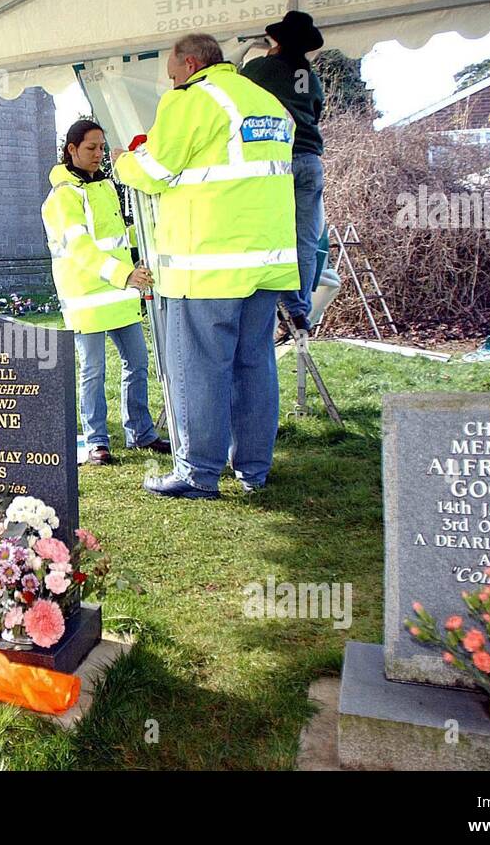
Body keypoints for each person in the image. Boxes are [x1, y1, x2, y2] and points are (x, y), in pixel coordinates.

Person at [112, 33, 298, 498]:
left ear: (191, 64)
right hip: (267, 263)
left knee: (199, 369)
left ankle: (198, 472)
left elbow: (153, 170)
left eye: (173, 74)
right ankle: (254, 470)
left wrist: (123, 161)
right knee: (254, 365)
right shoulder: (269, 104)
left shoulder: (191, 101)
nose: (171, 83)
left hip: (208, 264)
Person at [42, 120, 170, 466]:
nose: (99, 154)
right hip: (88, 297)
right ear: (71, 150)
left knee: (137, 364)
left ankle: (141, 432)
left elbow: (118, 236)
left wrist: (145, 245)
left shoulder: (106, 187)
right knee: (93, 371)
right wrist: (124, 274)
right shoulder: (63, 196)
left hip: (119, 293)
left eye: (101, 147)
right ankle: (97, 441)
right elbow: (80, 247)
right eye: (90, 148)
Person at [232, 11, 326, 335]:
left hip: (279, 159)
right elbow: (315, 111)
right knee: (305, 240)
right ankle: (301, 309)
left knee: (275, 233)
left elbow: (233, 86)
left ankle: (282, 302)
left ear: (278, 41)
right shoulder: (310, 76)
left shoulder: (261, 68)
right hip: (311, 159)